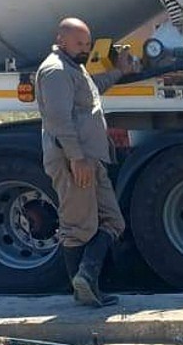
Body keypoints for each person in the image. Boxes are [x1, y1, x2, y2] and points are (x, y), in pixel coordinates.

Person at [37, 17, 137, 308]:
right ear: (61, 39)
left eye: (87, 44)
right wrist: (76, 158)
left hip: (91, 158)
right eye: (79, 43)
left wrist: (118, 72)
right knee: (78, 227)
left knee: (113, 221)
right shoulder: (55, 71)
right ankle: (82, 289)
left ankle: (86, 277)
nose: (84, 49)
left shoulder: (73, 67)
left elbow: (90, 90)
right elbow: (59, 120)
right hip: (74, 160)